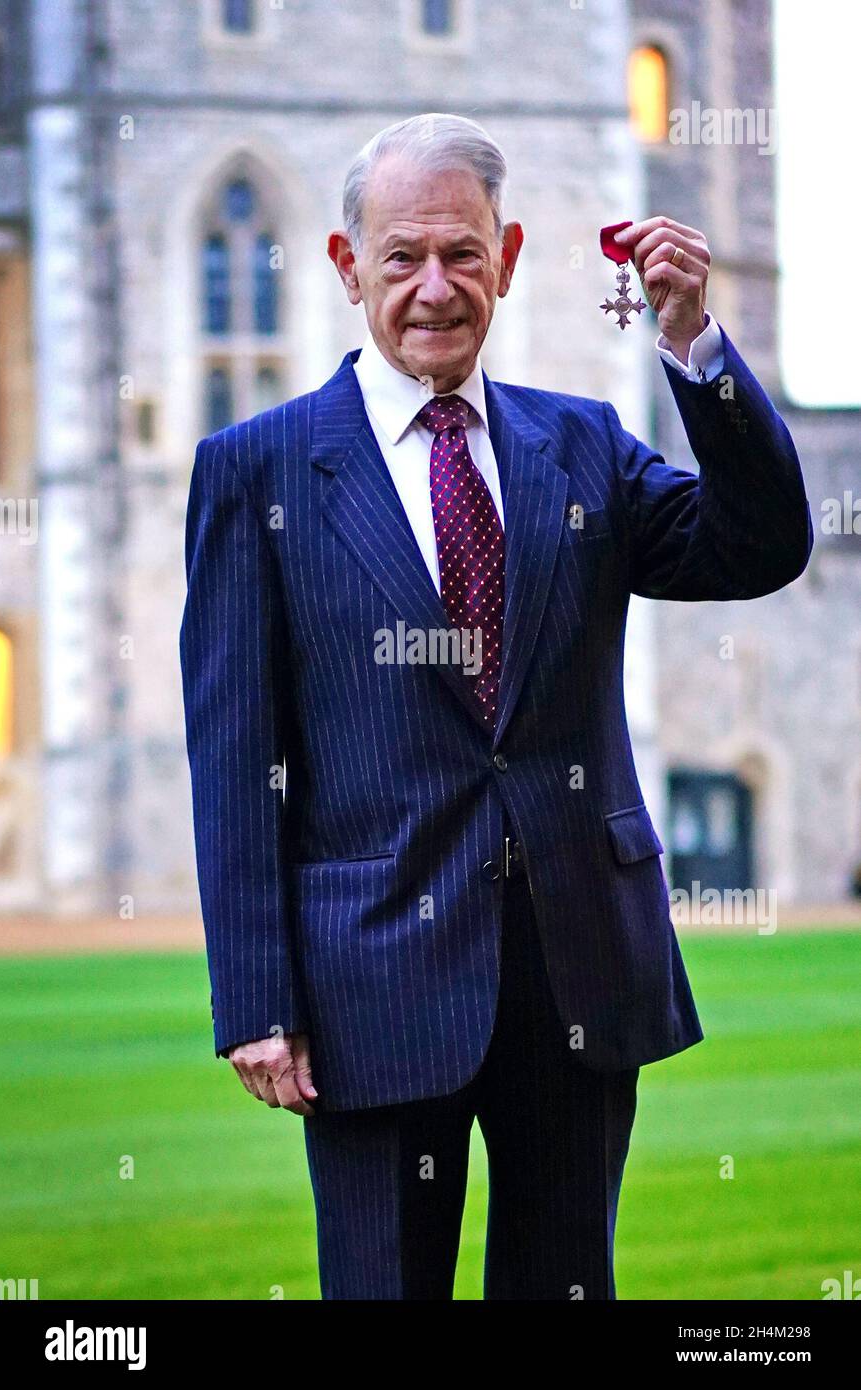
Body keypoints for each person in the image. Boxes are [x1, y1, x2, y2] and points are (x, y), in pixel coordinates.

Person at [179, 112, 812, 1300]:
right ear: (343, 264)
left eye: (461, 255)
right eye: (402, 256)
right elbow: (233, 754)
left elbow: (763, 540)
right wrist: (256, 999)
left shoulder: (584, 448)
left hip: (577, 969)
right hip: (372, 987)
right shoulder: (256, 472)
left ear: (507, 259)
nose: (433, 288)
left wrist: (693, 346)